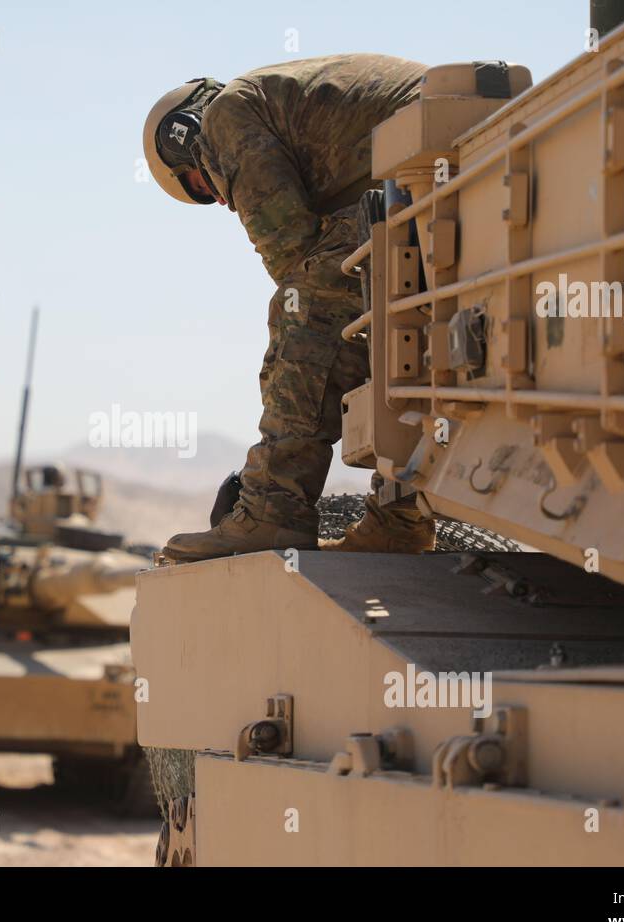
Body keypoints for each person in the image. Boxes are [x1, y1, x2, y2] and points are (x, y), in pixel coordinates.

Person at [142, 54, 437, 561]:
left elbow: (291, 250)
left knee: (306, 310)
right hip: (448, 180)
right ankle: (401, 514)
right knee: (404, 340)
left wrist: (290, 365)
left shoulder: (224, 118)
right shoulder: (276, 102)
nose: (217, 199)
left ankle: (273, 511)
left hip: (419, 183)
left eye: (197, 184)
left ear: (183, 138)